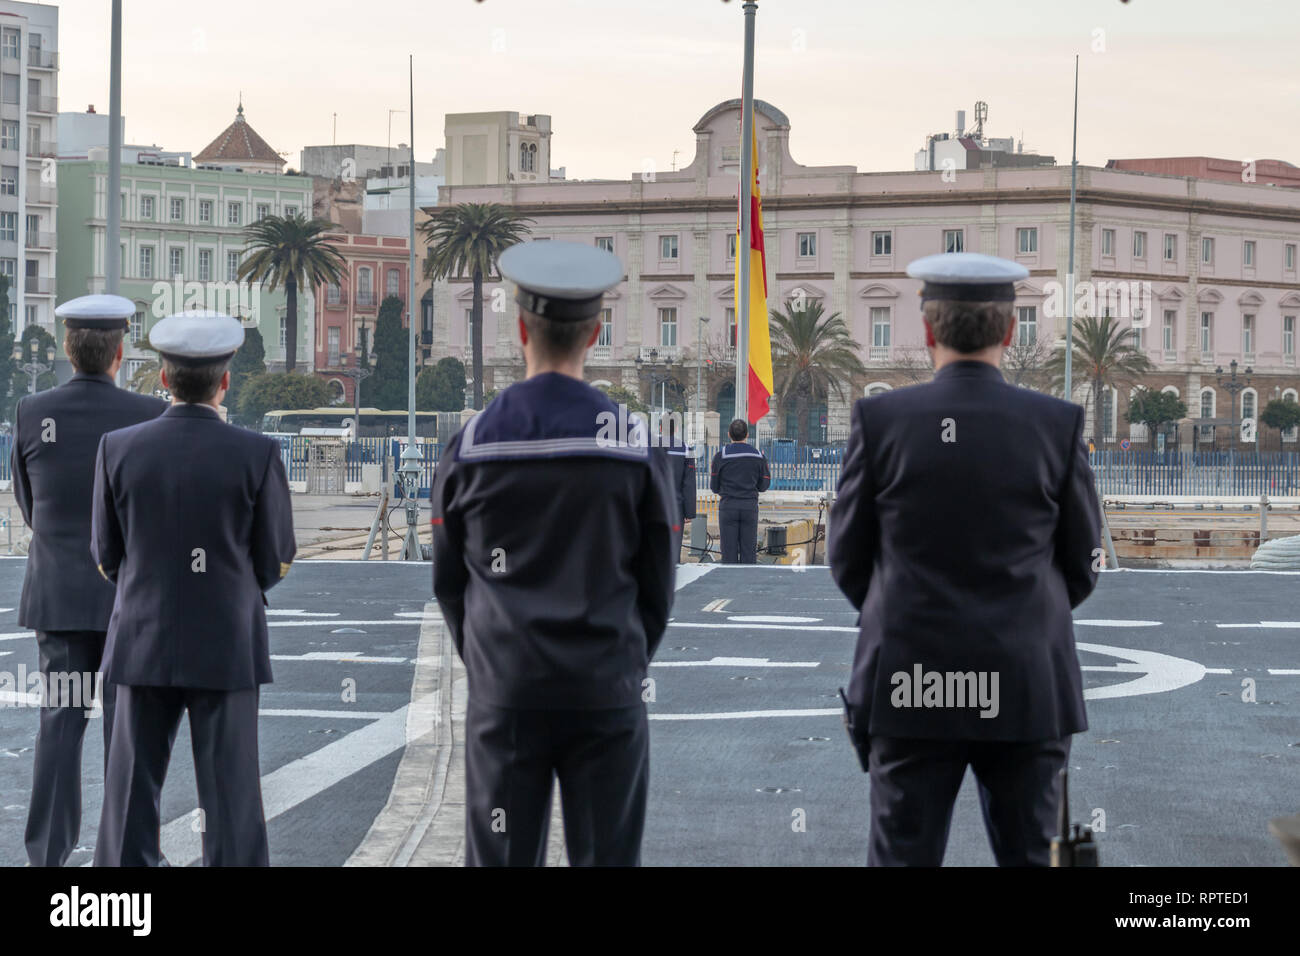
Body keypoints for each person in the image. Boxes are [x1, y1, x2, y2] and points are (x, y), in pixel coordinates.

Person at [828, 252, 1102, 867]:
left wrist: (897, 612)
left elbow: (846, 556)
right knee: (1036, 856)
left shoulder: (881, 419)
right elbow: (1083, 562)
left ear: (927, 330)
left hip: (910, 679)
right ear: (1009, 331)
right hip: (1026, 680)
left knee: (901, 856)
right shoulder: (1055, 423)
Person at [431, 240, 677, 867]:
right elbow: (657, 579)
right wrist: (624, 658)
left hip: (508, 691)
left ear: (519, 329)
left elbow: (449, 581)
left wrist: (490, 662)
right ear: (595, 332)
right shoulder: (631, 440)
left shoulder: (473, 441)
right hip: (605, 687)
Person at [91, 310, 296, 867]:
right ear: (225, 381)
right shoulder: (257, 453)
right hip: (226, 642)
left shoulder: (118, 448)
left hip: (141, 638)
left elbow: (106, 556)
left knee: (130, 799)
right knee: (231, 801)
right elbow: (276, 557)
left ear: (163, 379)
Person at [10, 294, 166, 866]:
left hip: (58, 597)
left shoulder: (31, 412)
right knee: (126, 733)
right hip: (128, 600)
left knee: (59, 726)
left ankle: (47, 857)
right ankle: (125, 856)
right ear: (121, 351)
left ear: (67, 350)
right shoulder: (149, 415)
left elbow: (28, 504)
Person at [709, 418, 770, 563]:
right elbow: (764, 485)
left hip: (728, 506)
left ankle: (729, 585)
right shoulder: (759, 456)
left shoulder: (720, 456)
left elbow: (714, 487)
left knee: (728, 553)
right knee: (749, 552)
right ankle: (747, 584)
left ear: (729, 434)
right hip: (750, 507)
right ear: (747, 435)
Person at [661, 417, 697, 556]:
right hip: (676, 510)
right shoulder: (686, 449)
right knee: (674, 549)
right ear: (676, 429)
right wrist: (689, 512)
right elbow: (689, 483)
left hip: (653, 507)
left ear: (660, 428)